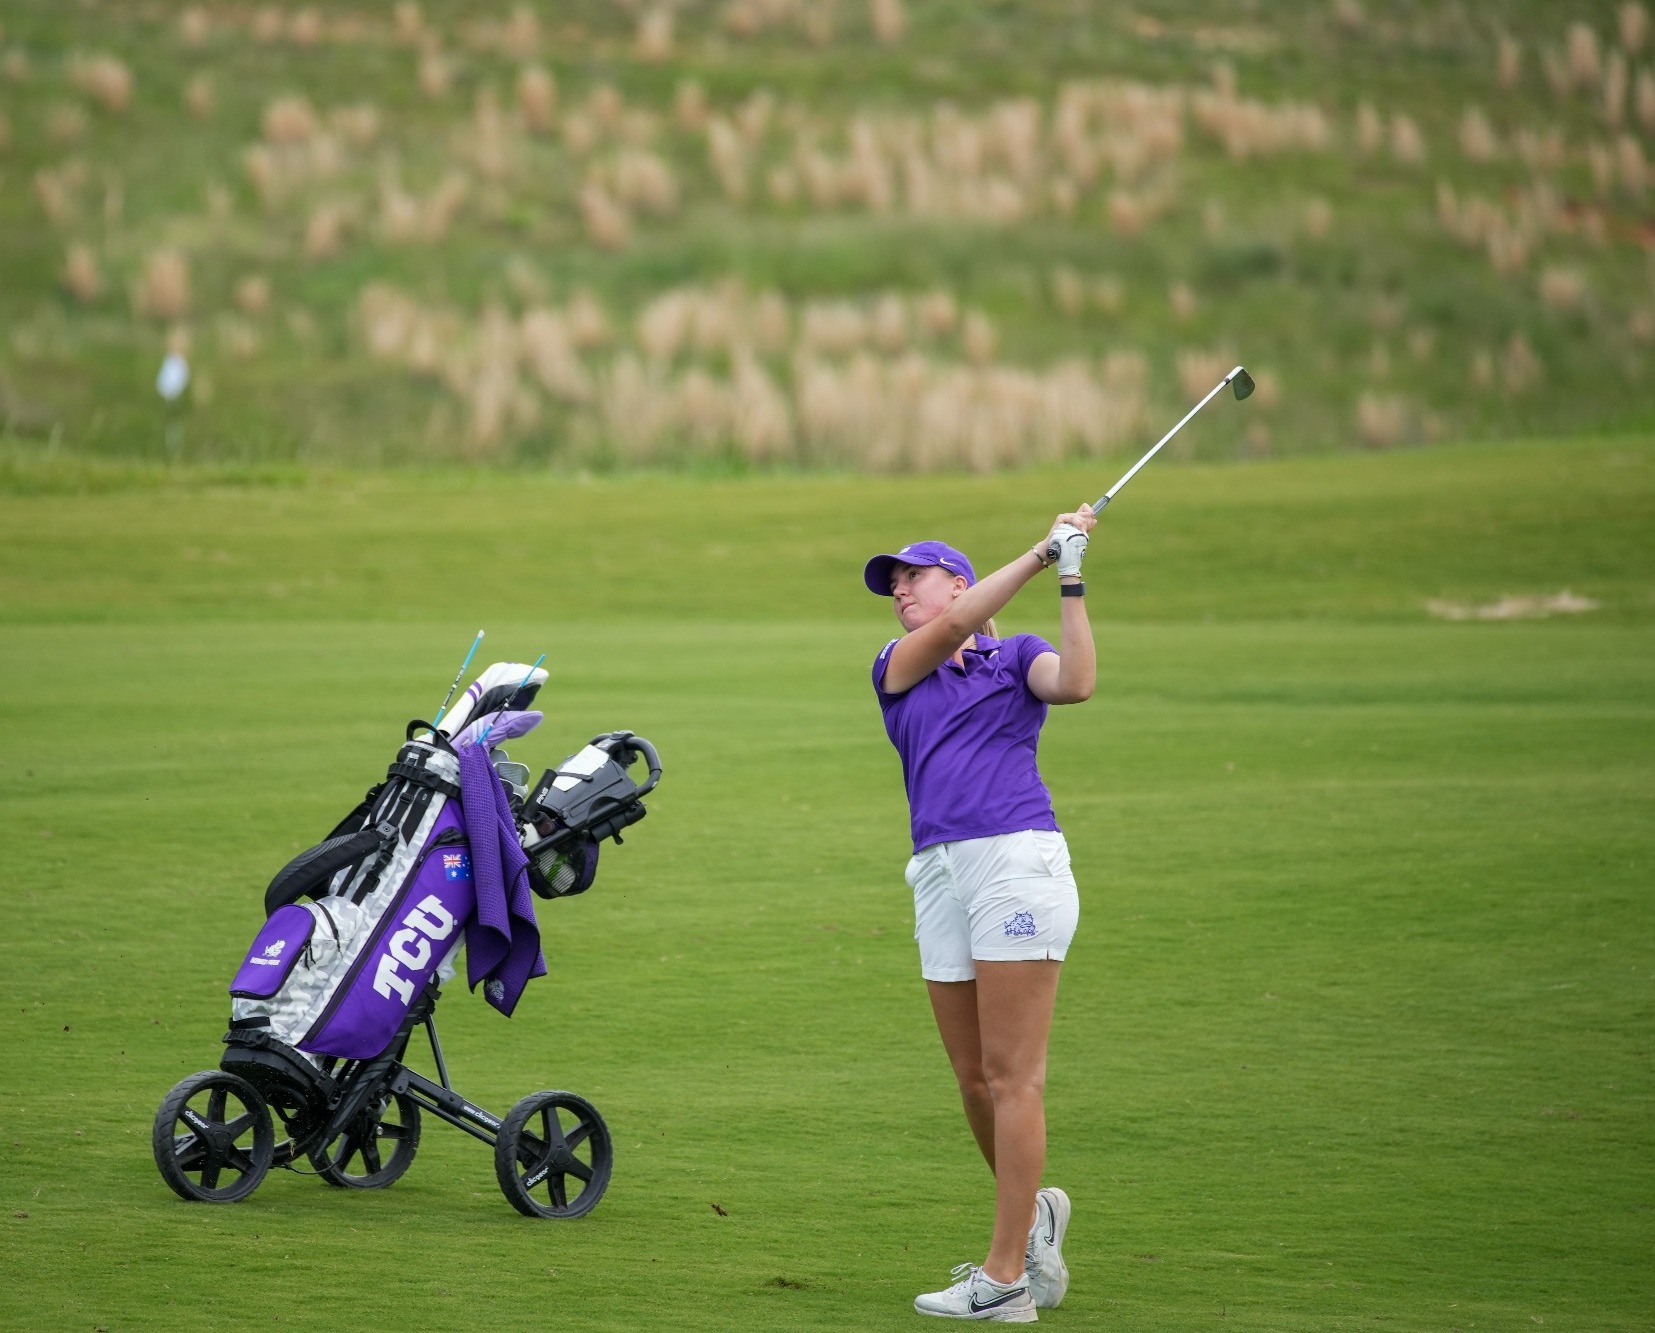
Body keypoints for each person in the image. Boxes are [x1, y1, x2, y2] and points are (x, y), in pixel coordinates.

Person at [863, 507, 1097, 1323]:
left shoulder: (1016, 657)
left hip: (1015, 862)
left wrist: (1069, 576)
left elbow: (1075, 682)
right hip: (937, 869)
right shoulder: (895, 665)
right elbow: (958, 624)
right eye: (892, 584)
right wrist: (1040, 551)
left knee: (1011, 1076)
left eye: (912, 577)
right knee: (971, 1077)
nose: (899, 592)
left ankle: (1003, 1281)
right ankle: (1031, 1219)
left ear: (957, 581)